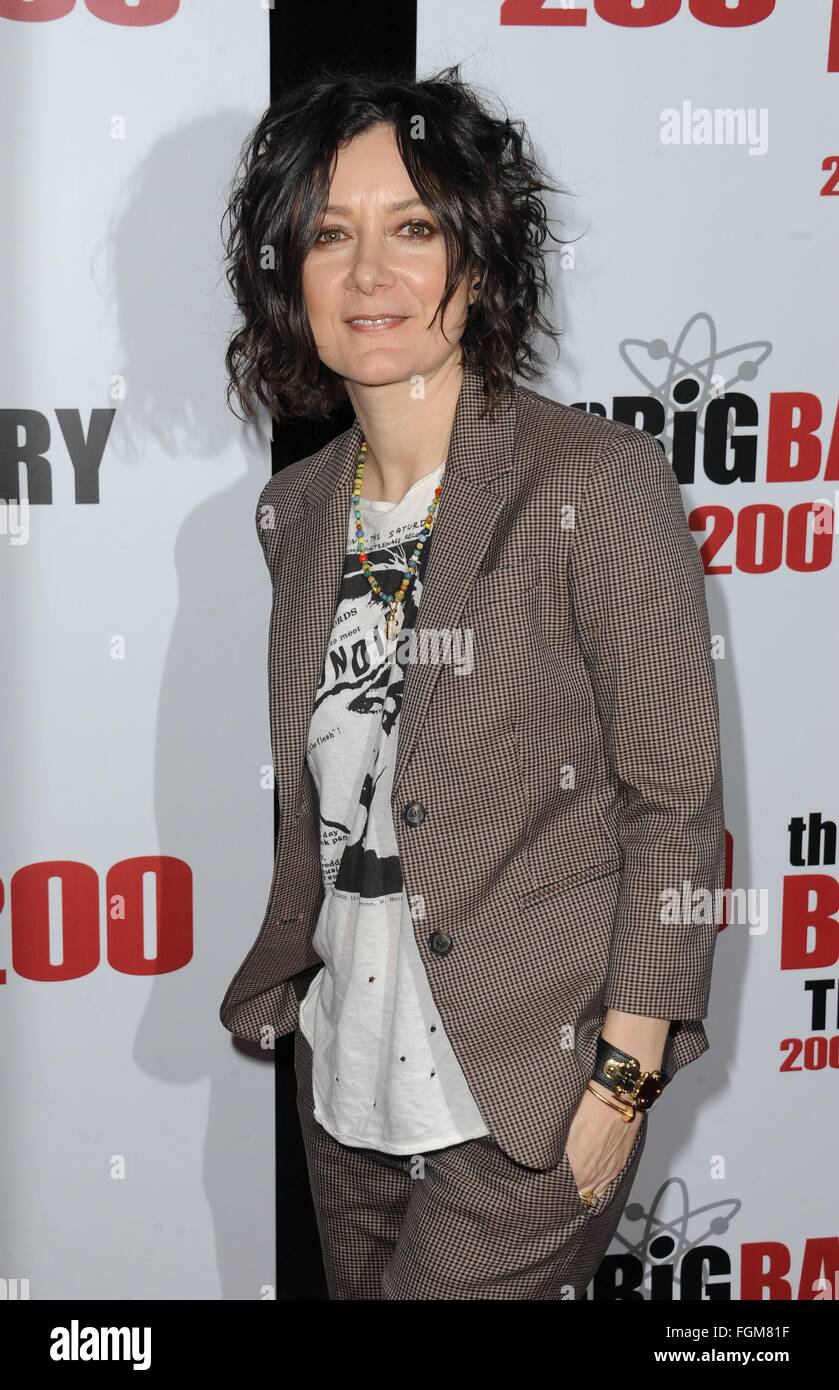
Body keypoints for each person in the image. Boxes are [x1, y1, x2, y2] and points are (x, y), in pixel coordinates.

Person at [219, 63, 726, 1301]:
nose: (369, 272)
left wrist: (620, 1082)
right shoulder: (296, 510)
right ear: (290, 276)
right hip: (344, 1088)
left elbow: (672, 805)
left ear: (479, 263)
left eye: (412, 228)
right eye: (329, 235)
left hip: (526, 1100)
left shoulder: (593, 483)